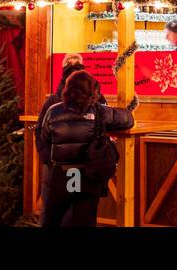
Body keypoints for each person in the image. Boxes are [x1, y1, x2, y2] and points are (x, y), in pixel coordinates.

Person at [37, 71, 135, 227]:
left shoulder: (53, 111)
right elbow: (128, 120)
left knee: (53, 220)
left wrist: (51, 161)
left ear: (67, 89)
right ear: (91, 90)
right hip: (88, 175)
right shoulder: (99, 111)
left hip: (61, 174)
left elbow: (45, 139)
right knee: (85, 221)